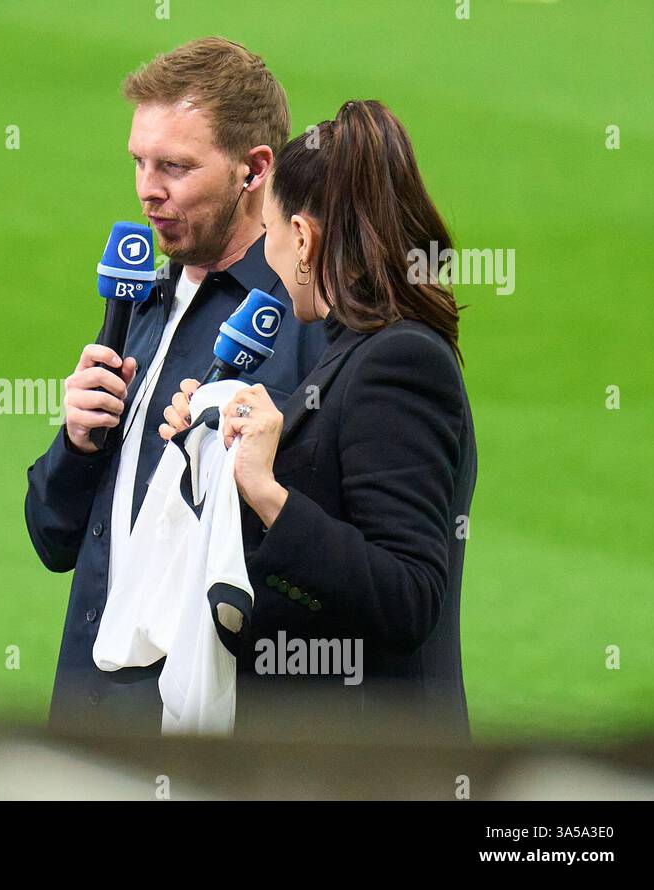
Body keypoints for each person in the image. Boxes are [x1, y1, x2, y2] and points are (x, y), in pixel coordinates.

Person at [25, 38, 329, 734]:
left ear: (254, 171)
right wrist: (76, 442)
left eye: (175, 167)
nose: (146, 188)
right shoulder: (140, 307)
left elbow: (319, 550)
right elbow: (54, 536)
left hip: (210, 721)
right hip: (89, 709)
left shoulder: (301, 321)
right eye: (139, 160)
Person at [159, 99, 476, 742]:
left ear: (303, 237)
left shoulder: (399, 362)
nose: (270, 259)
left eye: (272, 233)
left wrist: (268, 494)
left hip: (372, 768)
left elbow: (407, 595)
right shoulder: (356, 352)